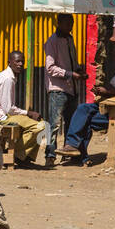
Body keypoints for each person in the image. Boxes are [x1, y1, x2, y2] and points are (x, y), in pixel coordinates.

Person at [59, 44, 115, 161]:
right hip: (109, 107)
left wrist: (108, 91)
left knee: (85, 115)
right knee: (83, 112)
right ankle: (75, 151)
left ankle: (74, 148)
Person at [0, 50, 45, 166]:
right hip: (0, 118)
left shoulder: (9, 76)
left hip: (3, 115)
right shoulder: (8, 79)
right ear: (9, 63)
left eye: (22, 61)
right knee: (41, 126)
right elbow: (8, 109)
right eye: (17, 61)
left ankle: (26, 158)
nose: (20, 64)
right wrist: (28, 113)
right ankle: (16, 155)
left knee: (38, 123)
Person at [42, 13, 86, 166]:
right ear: (59, 23)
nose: (70, 27)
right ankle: (50, 155)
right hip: (57, 89)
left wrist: (78, 70)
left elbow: (71, 62)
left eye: (72, 23)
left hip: (71, 88)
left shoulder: (69, 39)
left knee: (71, 123)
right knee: (54, 124)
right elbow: (50, 68)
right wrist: (70, 74)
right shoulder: (52, 41)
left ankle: (67, 153)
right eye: (67, 24)